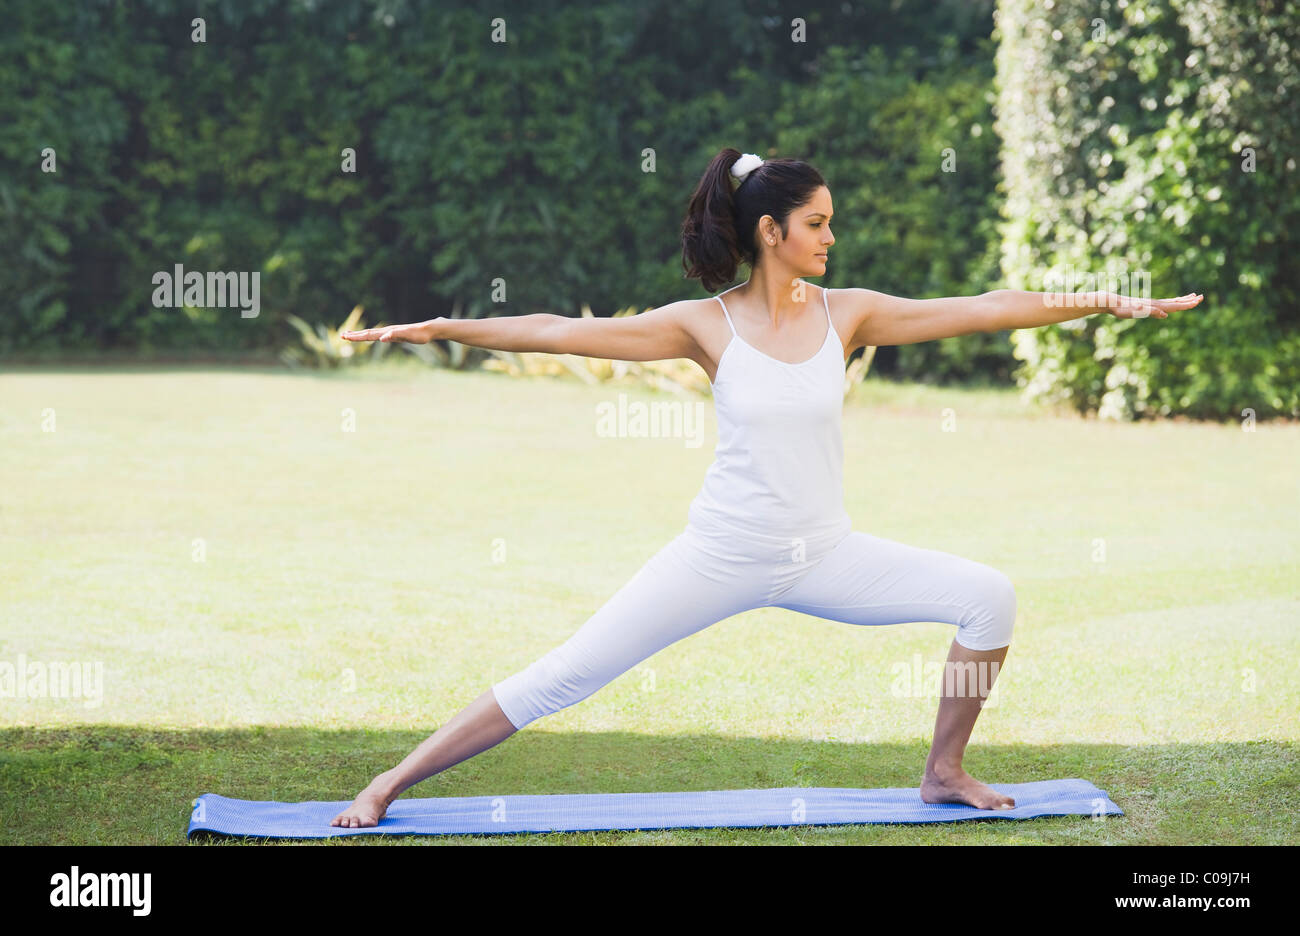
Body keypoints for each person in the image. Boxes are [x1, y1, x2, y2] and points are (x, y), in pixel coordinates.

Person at [330, 148, 1202, 827]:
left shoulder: (846, 313)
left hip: (826, 554)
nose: (831, 238)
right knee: (565, 675)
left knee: (990, 599)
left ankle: (944, 771)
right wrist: (441, 326)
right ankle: (391, 780)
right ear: (770, 231)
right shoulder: (703, 326)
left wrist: (1099, 301)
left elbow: (981, 305)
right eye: (818, 223)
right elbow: (557, 332)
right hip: (721, 552)